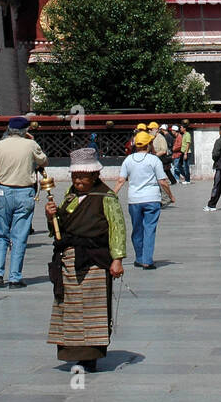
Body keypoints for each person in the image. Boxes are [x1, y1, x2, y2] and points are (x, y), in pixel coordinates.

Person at [46, 147, 127, 371]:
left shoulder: (107, 197)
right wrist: (51, 215)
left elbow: (117, 229)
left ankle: (90, 355)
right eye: (74, 176)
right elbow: (58, 231)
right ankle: (72, 350)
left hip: (94, 261)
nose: (77, 180)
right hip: (69, 259)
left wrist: (117, 259)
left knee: (92, 309)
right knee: (70, 308)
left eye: (82, 176)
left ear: (94, 176)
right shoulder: (70, 196)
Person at [0, 117, 47, 288]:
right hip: (25, 192)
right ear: (26, 131)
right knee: (19, 236)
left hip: (3, 191)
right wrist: (32, 141)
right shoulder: (30, 145)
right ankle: (15, 277)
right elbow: (43, 161)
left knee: (0, 234)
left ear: (9, 129)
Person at [113, 130, 171, 269]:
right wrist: (171, 195)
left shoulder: (128, 160)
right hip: (152, 199)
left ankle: (139, 258)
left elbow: (121, 180)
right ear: (149, 144)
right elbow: (162, 181)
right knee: (149, 229)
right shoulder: (154, 160)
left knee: (137, 229)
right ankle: (147, 260)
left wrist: (113, 193)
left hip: (134, 200)